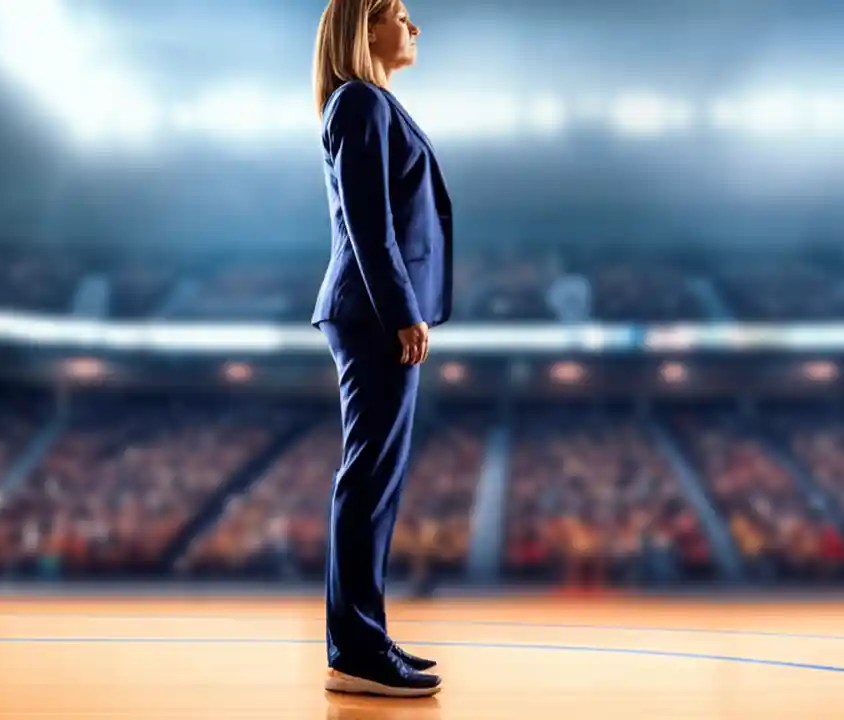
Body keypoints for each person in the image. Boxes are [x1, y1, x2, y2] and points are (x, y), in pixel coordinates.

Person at [311, 0, 453, 698]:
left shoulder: (369, 104)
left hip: (372, 311)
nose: (414, 26)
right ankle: (356, 649)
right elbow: (371, 224)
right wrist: (403, 312)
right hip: (373, 313)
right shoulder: (360, 102)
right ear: (365, 28)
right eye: (400, 13)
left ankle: (363, 637)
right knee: (367, 480)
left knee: (373, 480)